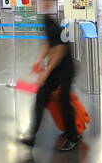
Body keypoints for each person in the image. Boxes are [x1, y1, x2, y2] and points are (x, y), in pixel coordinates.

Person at [19, 13, 79, 151]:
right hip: (55, 70)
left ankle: (73, 138)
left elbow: (59, 51)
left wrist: (46, 72)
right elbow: (48, 44)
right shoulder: (47, 25)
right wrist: (39, 61)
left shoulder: (55, 26)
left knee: (64, 100)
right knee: (40, 98)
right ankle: (31, 136)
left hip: (65, 70)